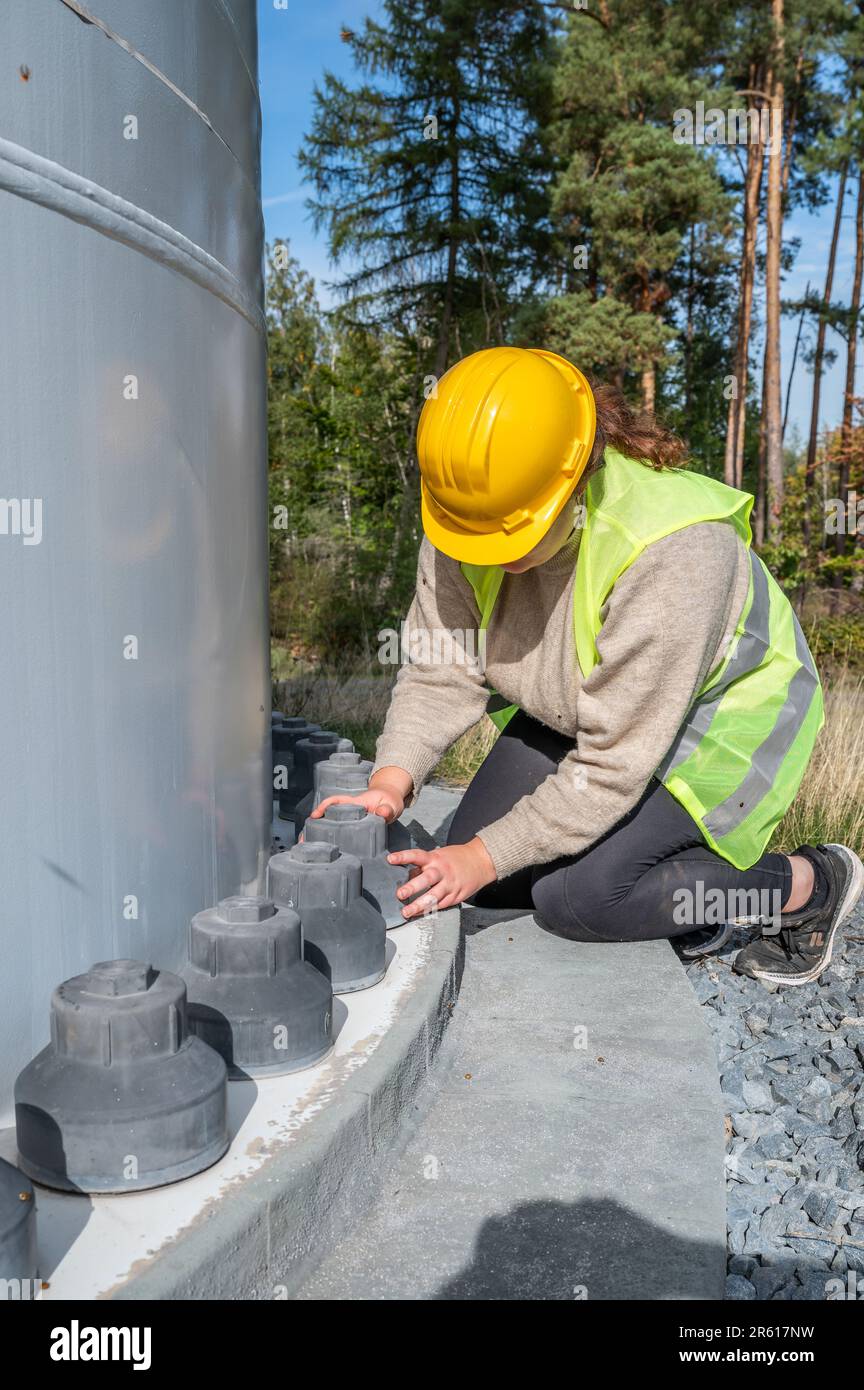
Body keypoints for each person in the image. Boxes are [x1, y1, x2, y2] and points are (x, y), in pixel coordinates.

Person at [311, 346, 864, 987]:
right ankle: (661, 874)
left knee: (582, 900)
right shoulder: (468, 512)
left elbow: (611, 766)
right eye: (474, 534)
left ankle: (803, 886)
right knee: (483, 881)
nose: (486, 554)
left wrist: (486, 854)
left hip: (718, 726)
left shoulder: (675, 552)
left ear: (572, 481)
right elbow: (442, 667)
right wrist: (390, 781)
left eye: (508, 536)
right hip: (591, 709)